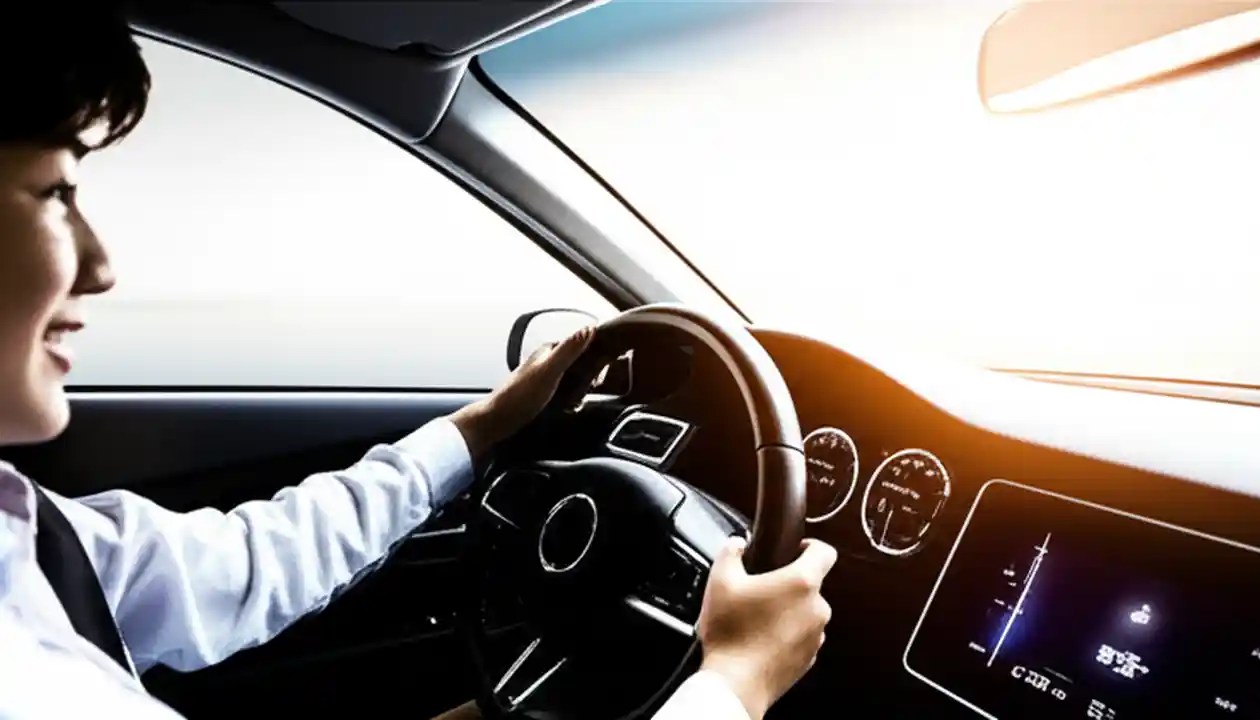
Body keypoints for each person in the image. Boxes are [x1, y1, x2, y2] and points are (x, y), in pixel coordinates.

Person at [0, 5, 837, 719]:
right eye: (56, 193)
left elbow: (241, 567)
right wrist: (734, 683)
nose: (100, 264)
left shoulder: (24, 535)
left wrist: (480, 430)